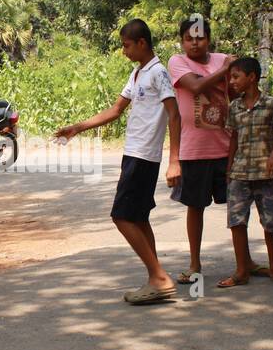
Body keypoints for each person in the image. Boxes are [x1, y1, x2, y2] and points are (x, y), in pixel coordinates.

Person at [55, 18, 182, 305]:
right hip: (132, 153)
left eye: (126, 45)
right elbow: (116, 109)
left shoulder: (158, 73)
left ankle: (160, 278)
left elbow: (175, 115)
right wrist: (78, 127)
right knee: (138, 217)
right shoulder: (138, 74)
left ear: (141, 43)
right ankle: (155, 277)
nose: (123, 51)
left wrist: (175, 160)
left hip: (144, 156)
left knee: (121, 216)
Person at [167, 15, 233, 285]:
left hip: (228, 147)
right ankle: (195, 263)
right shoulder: (177, 62)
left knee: (238, 205)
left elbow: (239, 91)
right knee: (196, 207)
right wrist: (226, 71)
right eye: (188, 38)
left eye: (200, 37)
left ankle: (245, 262)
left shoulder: (223, 59)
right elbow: (195, 86)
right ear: (182, 41)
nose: (194, 43)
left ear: (209, 39)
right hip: (193, 150)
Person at [218, 57, 273, 288]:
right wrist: (228, 169)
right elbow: (233, 139)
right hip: (240, 173)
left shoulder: (271, 104)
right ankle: (241, 270)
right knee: (237, 222)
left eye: (236, 76)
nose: (232, 81)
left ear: (252, 77)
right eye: (231, 77)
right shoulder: (235, 107)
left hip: (265, 173)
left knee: (270, 223)